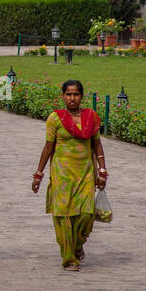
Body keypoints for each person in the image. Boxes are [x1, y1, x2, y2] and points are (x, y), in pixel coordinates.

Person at [32, 79, 108, 271]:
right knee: (64, 216)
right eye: (68, 94)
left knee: (86, 214)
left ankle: (77, 245)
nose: (72, 98)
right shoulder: (55, 118)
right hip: (62, 174)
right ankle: (69, 258)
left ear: (82, 96)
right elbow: (48, 147)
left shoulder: (91, 116)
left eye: (75, 94)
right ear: (63, 96)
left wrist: (102, 169)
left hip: (85, 173)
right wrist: (39, 174)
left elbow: (97, 144)